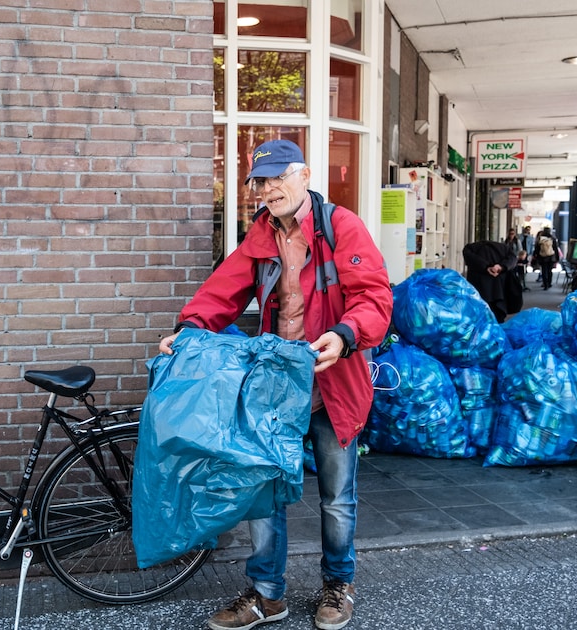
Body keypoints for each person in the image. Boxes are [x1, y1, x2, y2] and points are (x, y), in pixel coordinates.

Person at [158, 139, 392, 630]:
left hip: (333, 381)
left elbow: (373, 296)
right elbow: (222, 289)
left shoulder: (340, 226)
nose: (268, 188)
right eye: (260, 181)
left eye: (277, 177)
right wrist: (190, 330)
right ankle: (268, 594)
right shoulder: (261, 234)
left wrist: (345, 335)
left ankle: (337, 584)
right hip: (277, 385)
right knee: (263, 492)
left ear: (304, 174)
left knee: (337, 495)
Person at [463, 239, 517, 322]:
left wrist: (486, 267)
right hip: (499, 289)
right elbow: (513, 259)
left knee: (480, 318)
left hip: (479, 288)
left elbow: (470, 257)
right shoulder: (504, 249)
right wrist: (501, 267)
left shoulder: (471, 248)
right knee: (497, 317)